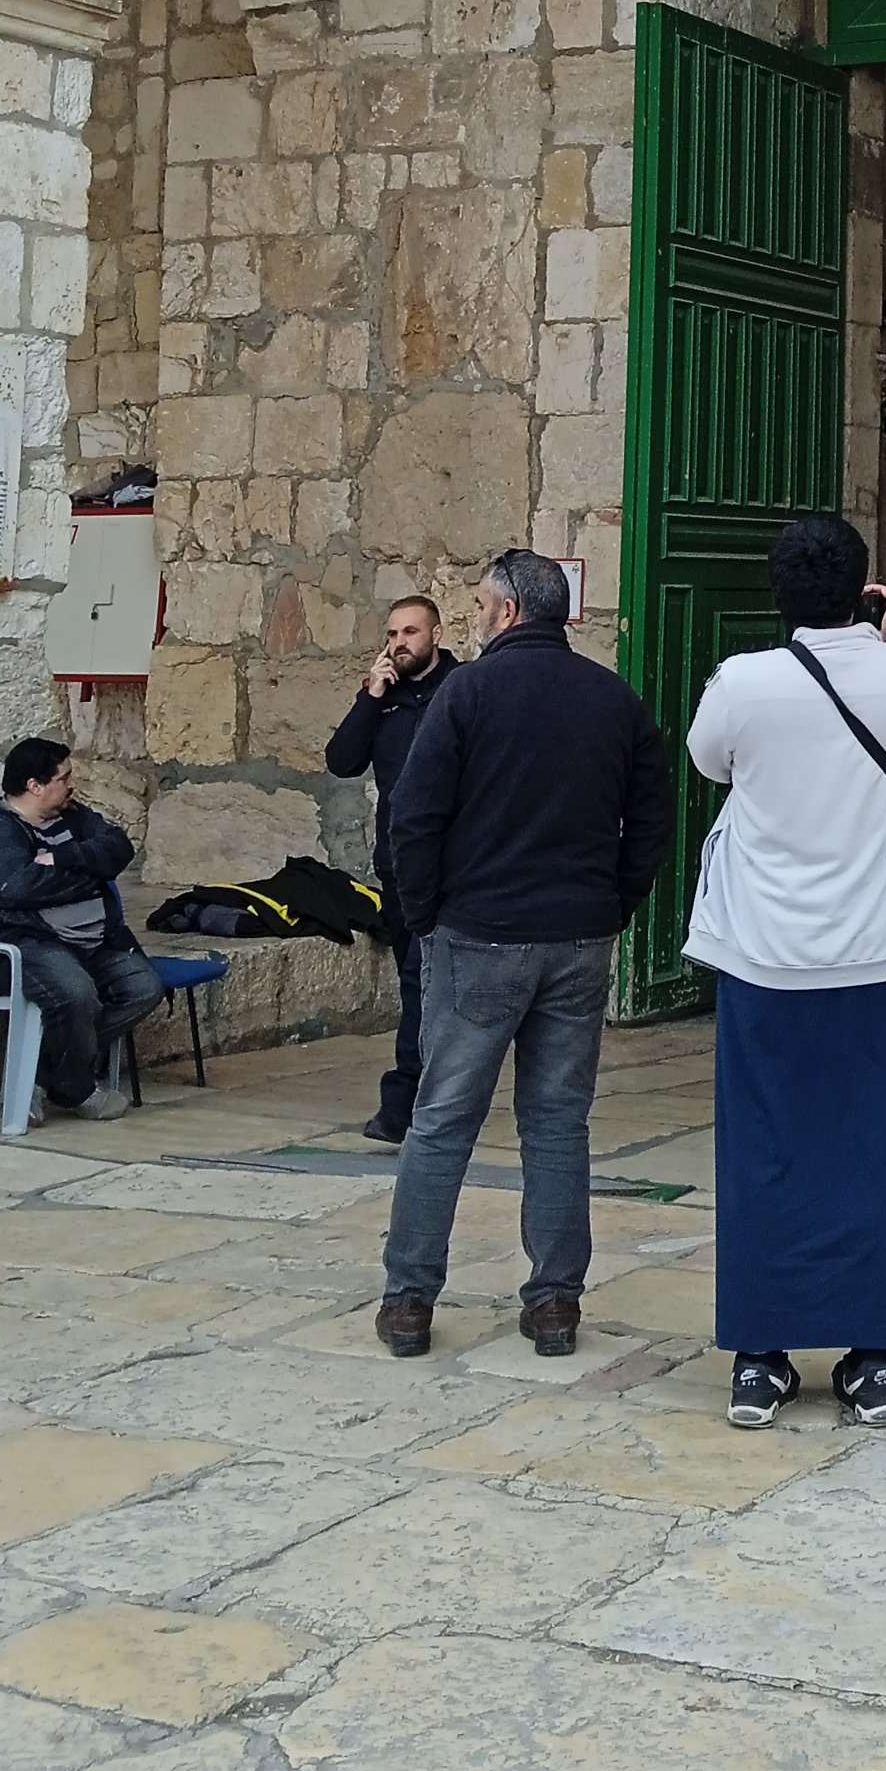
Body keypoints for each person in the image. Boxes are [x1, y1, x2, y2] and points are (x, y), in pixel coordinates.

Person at [685, 513, 886, 1432]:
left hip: (767, 951)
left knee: (763, 1149)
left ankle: (759, 1355)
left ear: (778, 596)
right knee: (879, 1149)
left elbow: (708, 761)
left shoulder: (743, 682)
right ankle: (873, 1356)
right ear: (865, 591)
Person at [374, 548, 674, 1362]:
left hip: (479, 933)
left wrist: (424, 914)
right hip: (578, 937)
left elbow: (414, 813)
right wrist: (615, 902)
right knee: (557, 1121)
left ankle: (410, 1300)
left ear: (507, 611)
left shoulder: (467, 692)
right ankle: (554, 1303)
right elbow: (652, 816)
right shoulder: (612, 699)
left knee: (443, 1118)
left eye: (478, 605)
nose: (474, 619)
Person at [0, 738, 161, 1120]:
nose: (72, 784)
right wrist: (91, 876)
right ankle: (78, 1090)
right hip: (18, 946)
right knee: (76, 993)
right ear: (35, 785)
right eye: (64, 778)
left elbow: (118, 846)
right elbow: (21, 888)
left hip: (90, 942)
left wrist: (66, 856)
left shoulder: (73, 816)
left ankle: (38, 1074)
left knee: (143, 987)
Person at [324, 591, 456, 1143]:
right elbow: (341, 761)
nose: (399, 643)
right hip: (399, 867)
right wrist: (370, 698)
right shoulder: (383, 700)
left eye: (410, 632)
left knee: (427, 981)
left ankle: (405, 1103)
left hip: (453, 868)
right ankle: (422, 1096)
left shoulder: (462, 689)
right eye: (393, 634)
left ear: (436, 635)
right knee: (415, 983)